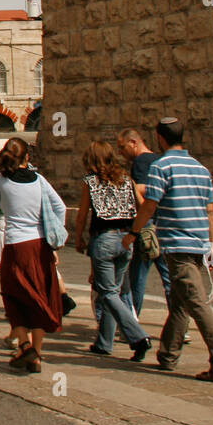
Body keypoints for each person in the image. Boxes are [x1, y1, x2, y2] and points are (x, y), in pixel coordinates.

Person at [124, 117, 213, 382]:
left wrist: (133, 233)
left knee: (195, 303)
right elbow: (210, 211)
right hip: (198, 243)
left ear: (160, 138)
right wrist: (211, 244)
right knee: (179, 301)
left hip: (176, 244)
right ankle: (167, 355)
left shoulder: (161, 166)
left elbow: (150, 205)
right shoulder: (200, 168)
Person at [0, 137, 66, 373]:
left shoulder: (0, 179)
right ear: (27, 157)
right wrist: (55, 238)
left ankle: (25, 346)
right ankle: (36, 354)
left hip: (15, 245)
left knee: (12, 295)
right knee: (38, 297)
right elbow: (60, 207)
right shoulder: (39, 180)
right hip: (39, 245)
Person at [75, 139, 151, 360]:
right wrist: (135, 232)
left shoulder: (90, 181)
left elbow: (82, 216)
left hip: (104, 239)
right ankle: (104, 342)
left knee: (107, 292)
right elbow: (142, 204)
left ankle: (138, 336)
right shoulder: (126, 180)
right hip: (125, 239)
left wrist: (79, 239)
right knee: (113, 292)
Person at [116, 127, 171, 317]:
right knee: (168, 277)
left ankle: (133, 322)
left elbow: (140, 191)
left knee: (137, 277)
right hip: (163, 226)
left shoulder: (140, 162)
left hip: (146, 227)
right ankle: (180, 323)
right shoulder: (160, 160)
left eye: (122, 147)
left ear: (134, 143)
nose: (121, 153)